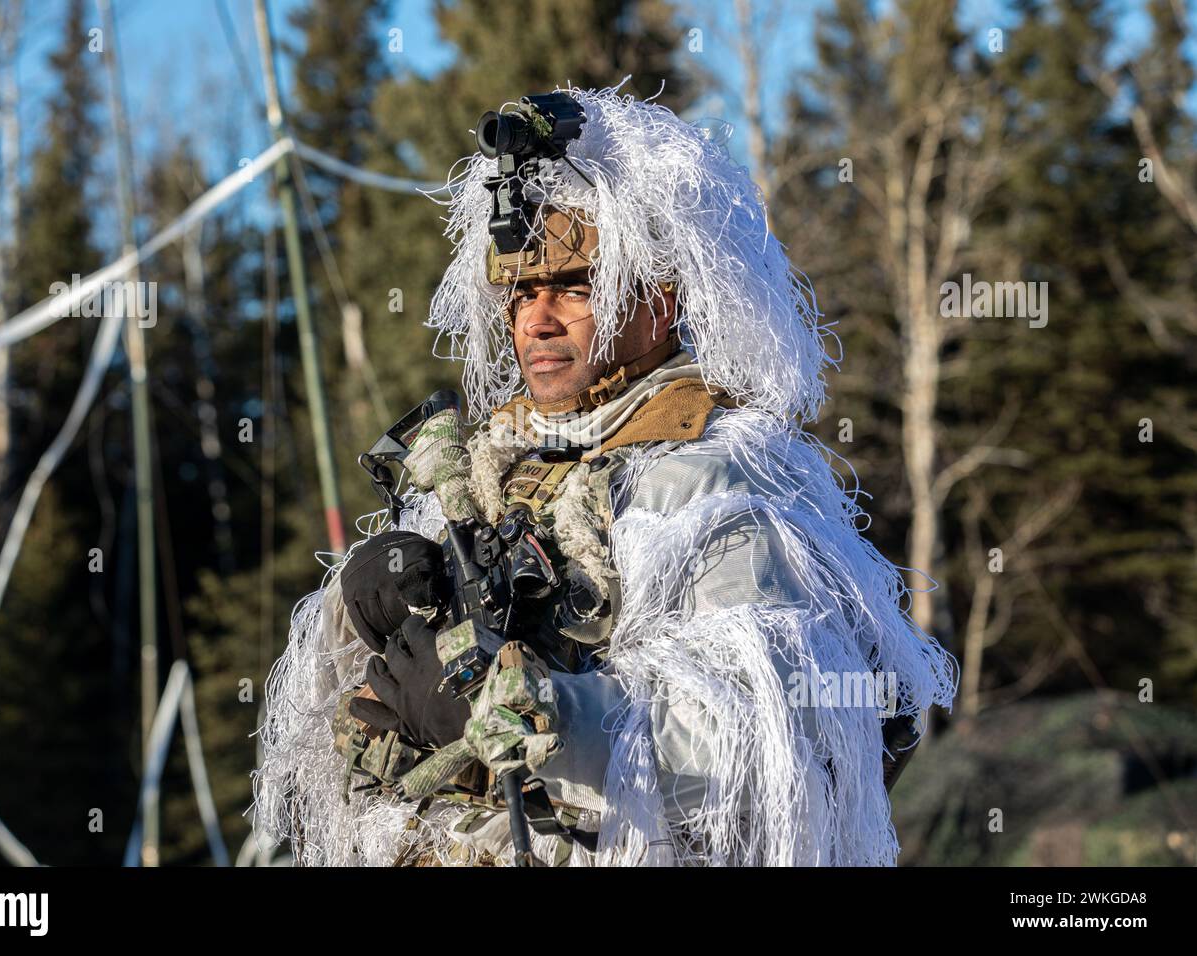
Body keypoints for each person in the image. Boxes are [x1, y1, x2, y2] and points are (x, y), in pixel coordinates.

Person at [254, 84, 956, 866]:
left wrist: (538, 719)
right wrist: (360, 609)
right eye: (520, 290)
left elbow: (755, 749)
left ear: (659, 294)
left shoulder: (722, 483)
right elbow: (350, 723)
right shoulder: (486, 461)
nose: (537, 318)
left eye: (574, 286)